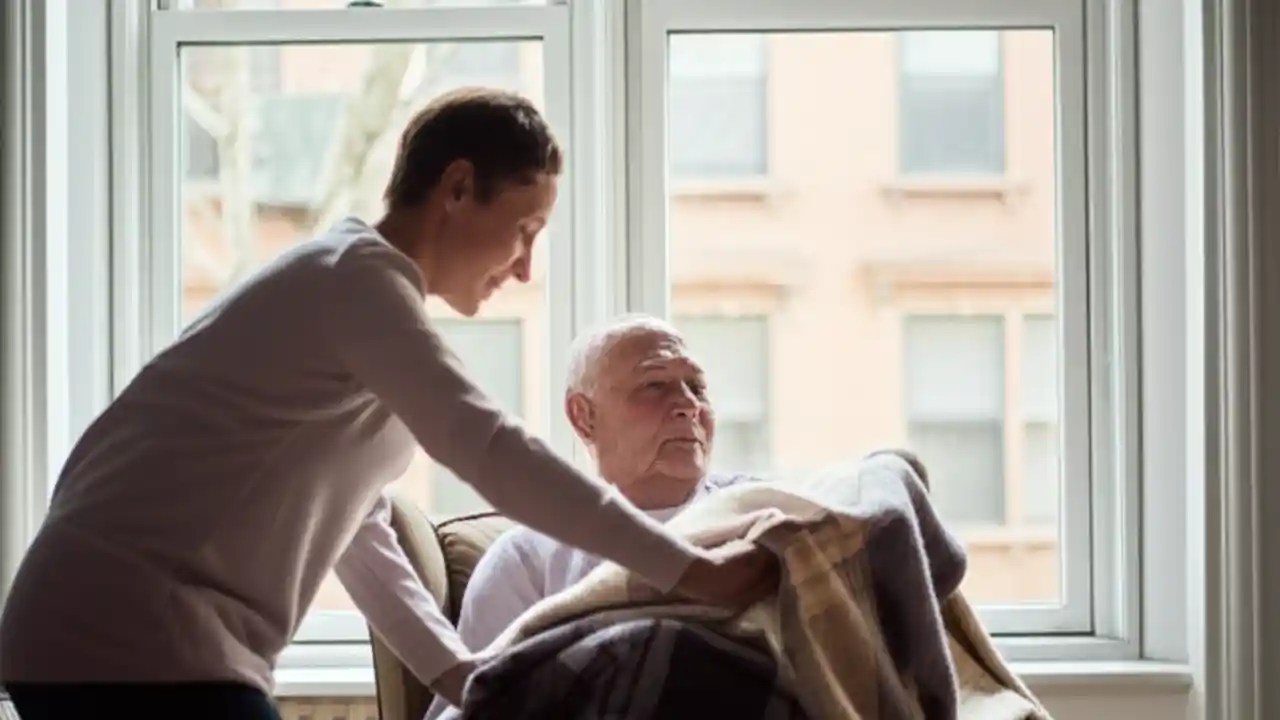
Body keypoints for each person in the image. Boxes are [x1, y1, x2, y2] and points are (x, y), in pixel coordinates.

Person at [0, 89, 777, 720]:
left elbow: (361, 538)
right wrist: (692, 572)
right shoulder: (356, 283)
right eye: (523, 230)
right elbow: (493, 452)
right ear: (459, 188)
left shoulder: (365, 313)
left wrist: (461, 678)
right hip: (123, 638)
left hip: (132, 645)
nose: (525, 264)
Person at [423, 314, 756, 718]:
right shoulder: (528, 559)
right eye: (655, 385)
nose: (688, 404)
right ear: (584, 416)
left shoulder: (761, 520)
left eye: (698, 387)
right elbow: (470, 707)